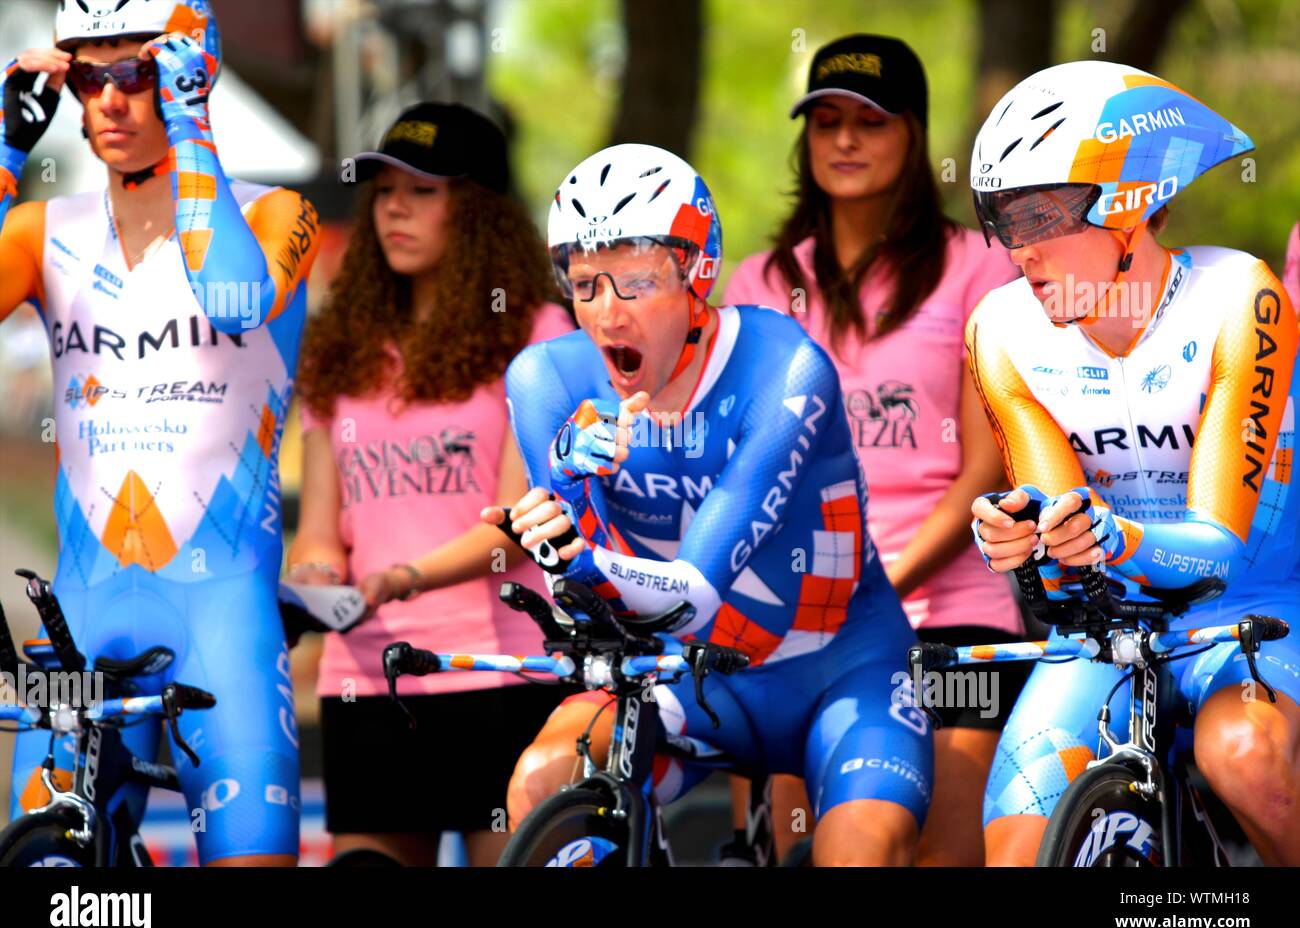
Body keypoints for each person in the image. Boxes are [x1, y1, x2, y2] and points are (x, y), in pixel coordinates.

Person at [484, 142, 931, 866]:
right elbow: (588, 604)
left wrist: (578, 555)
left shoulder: (784, 368)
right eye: (585, 282)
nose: (606, 313)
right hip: (682, 678)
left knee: (863, 850)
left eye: (636, 281)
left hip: (839, 667)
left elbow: (691, 593)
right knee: (539, 783)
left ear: (698, 275)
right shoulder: (545, 381)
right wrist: (565, 501)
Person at [0, 0, 318, 865]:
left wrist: (195, 126)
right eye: (87, 76)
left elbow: (232, 300)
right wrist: (3, 153)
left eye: (135, 72)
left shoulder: (279, 216)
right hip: (80, 614)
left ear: (189, 71)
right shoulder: (41, 231)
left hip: (220, 619)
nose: (108, 99)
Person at [967, 59, 1300, 866]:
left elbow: (1220, 544)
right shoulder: (1001, 329)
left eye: (1040, 218)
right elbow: (1066, 558)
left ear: (1126, 206)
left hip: (1259, 606)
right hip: (1113, 624)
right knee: (1016, 847)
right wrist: (1020, 543)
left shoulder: (1239, 298)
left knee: (1243, 754)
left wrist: (1108, 539)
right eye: (1002, 223)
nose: (1019, 252)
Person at [724, 33, 1023, 866]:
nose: (845, 139)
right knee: (814, 855)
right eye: (825, 121)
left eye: (871, 120)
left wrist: (876, 585)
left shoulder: (980, 270)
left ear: (915, 135)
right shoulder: (758, 282)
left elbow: (989, 468)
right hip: (800, 623)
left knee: (942, 859)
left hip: (951, 617)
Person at [287, 102, 573, 867]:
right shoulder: (339, 346)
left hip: (503, 676)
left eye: (424, 191)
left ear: (478, 209)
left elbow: (522, 523)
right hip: (368, 685)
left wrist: (402, 577)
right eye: (383, 191)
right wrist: (315, 579)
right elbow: (320, 525)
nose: (394, 210)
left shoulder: (539, 336)